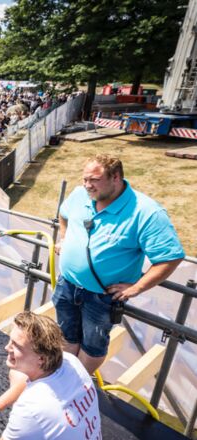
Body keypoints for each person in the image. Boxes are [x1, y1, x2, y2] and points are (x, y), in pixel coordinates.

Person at [54, 154, 184, 373]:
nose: (87, 185)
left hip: (102, 297)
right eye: (85, 179)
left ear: (116, 177)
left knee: (93, 344)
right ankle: (64, 375)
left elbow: (170, 257)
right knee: (66, 335)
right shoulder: (79, 195)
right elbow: (64, 214)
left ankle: (79, 383)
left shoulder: (147, 212)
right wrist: (64, 239)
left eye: (94, 180)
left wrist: (137, 287)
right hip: (67, 285)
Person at [0, 312, 100, 440]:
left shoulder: (31, 407)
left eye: (16, 346)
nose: (7, 348)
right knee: (16, 373)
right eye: (10, 340)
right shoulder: (71, 361)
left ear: (41, 359)